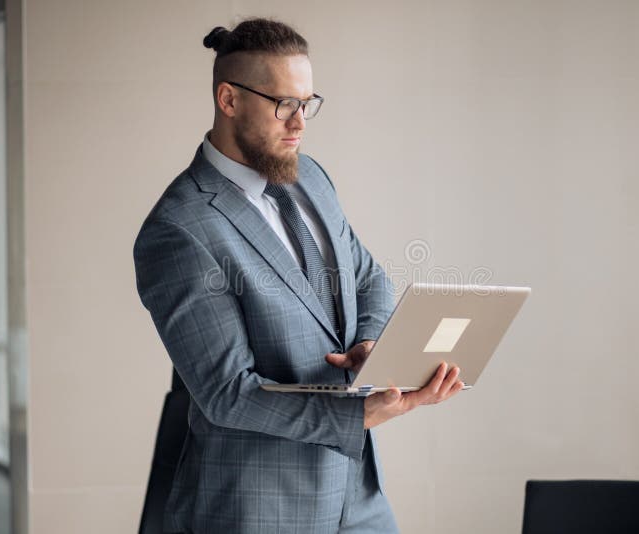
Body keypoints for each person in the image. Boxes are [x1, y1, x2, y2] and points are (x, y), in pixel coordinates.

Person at [133, 18, 464, 534]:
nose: (300, 123)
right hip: (257, 510)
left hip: (357, 496)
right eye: (283, 104)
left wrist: (373, 344)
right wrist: (358, 418)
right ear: (228, 99)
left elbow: (368, 277)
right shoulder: (179, 230)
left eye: (307, 103)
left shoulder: (309, 175)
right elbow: (228, 394)